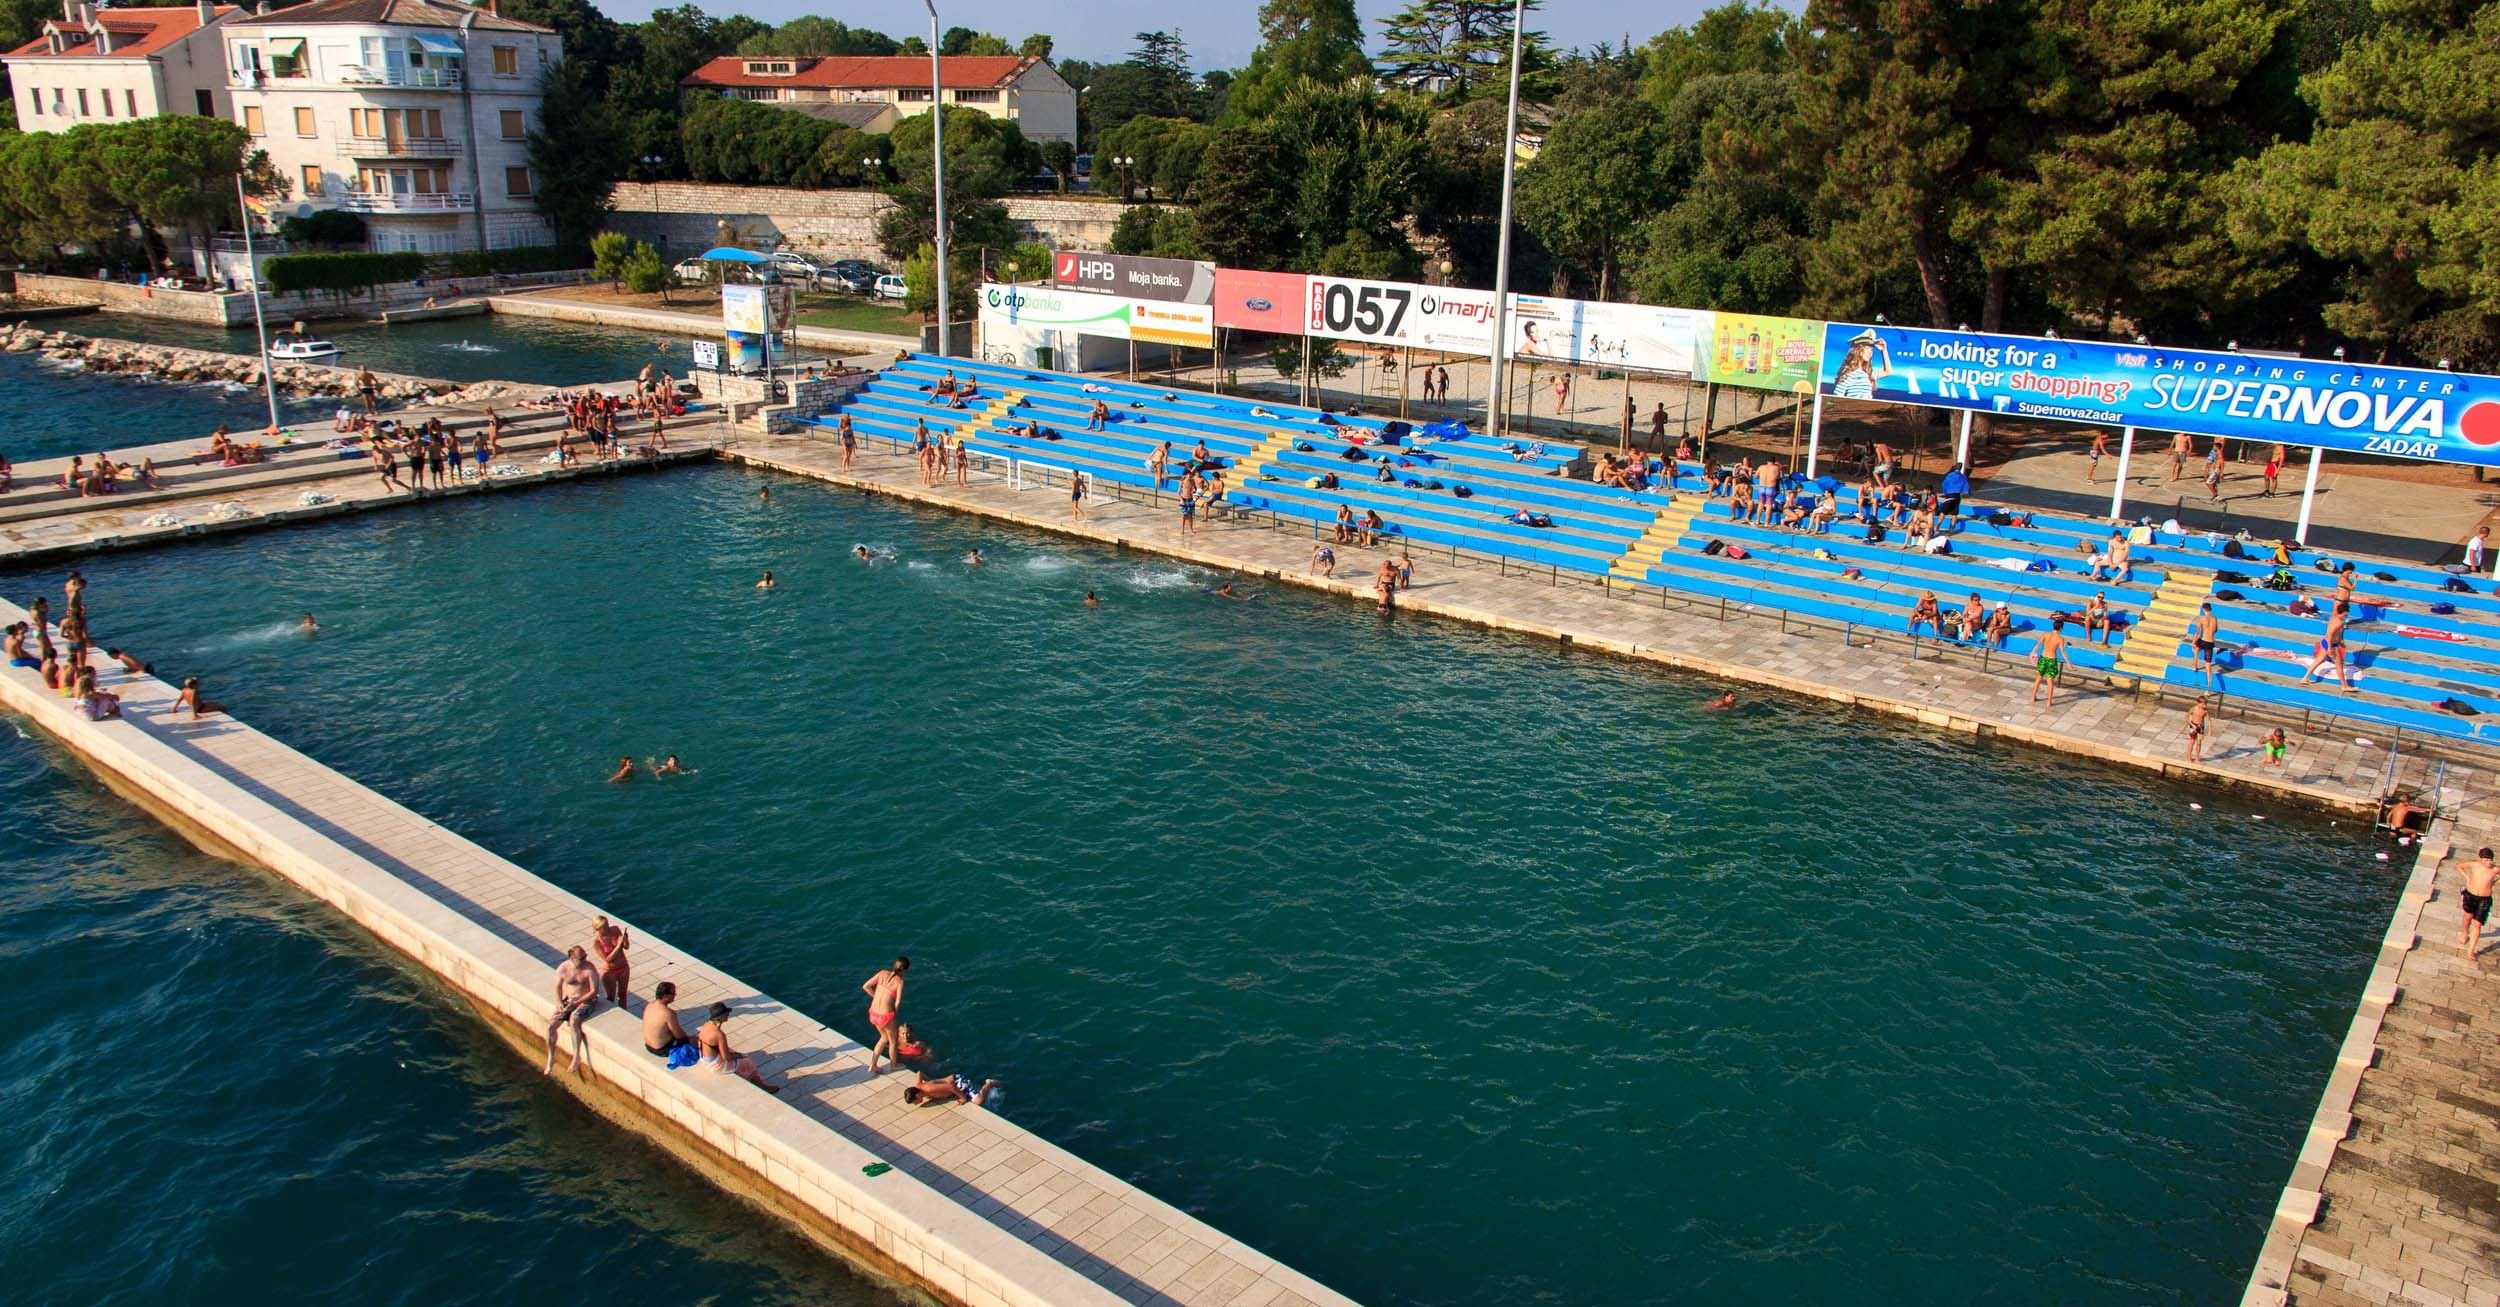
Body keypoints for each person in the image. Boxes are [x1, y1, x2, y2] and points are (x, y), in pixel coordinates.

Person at [696, 1002, 779, 1092]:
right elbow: (727, 1058)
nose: (728, 1015)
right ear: (720, 1017)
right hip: (715, 1066)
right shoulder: (719, 1034)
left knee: (733, 1052)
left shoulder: (706, 1025)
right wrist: (738, 1056)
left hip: (705, 1059)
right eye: (726, 1014)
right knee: (747, 1062)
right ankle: (761, 1085)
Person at [543, 945, 598, 1076]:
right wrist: (559, 1003)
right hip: (569, 1000)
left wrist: (577, 1003)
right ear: (572, 958)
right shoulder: (563, 968)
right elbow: (557, 987)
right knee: (550, 1026)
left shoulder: (589, 968)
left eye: (585, 956)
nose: (585, 959)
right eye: (581, 958)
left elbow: (594, 991)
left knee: (574, 1020)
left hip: (586, 1001)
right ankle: (551, 1057)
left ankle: (576, 1056)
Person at [863, 956, 908, 1074]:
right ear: (904, 970)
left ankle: (873, 1065)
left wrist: (875, 997)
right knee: (893, 1041)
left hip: (873, 1012)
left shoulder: (882, 973)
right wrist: (894, 1014)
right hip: (885, 1015)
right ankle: (893, 1065)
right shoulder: (900, 982)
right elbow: (898, 1001)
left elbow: (866, 986)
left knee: (883, 1038)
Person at [2459, 848, 2497, 964]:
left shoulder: (2495, 869)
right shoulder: (2474, 865)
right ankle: (2465, 932)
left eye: (2490, 860)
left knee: (2477, 925)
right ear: (2481, 859)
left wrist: (2494, 883)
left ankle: (2471, 950)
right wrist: (2467, 877)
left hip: (2484, 899)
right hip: (2470, 895)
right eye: (2486, 860)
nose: (2488, 863)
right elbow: (2459, 866)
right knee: (2467, 917)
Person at [590, 914, 631, 1006]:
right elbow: (607, 959)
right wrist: (618, 946)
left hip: (623, 967)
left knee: (623, 995)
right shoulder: (596, 942)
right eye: (604, 927)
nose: (608, 928)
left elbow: (626, 947)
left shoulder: (615, 929)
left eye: (607, 925)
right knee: (611, 997)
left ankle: (623, 1011)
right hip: (610, 971)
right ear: (597, 929)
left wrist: (625, 939)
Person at [904, 1071, 1000, 1109]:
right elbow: (919, 1073)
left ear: (917, 1095)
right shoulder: (918, 1086)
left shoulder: (929, 1089)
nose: (915, 1104)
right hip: (952, 1083)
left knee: (978, 1101)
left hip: (957, 1082)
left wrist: (963, 1098)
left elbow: (951, 1087)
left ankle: (989, 1083)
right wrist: (930, 1080)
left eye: (914, 1102)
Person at [2032, 618, 2070, 707]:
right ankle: (2049, 702)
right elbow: (2063, 652)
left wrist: (2032, 653)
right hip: (2051, 660)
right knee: (2050, 682)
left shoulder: (2045, 634)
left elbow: (2037, 645)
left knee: (2039, 678)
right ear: (2061, 628)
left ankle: (2033, 697)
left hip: (2043, 658)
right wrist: (2069, 663)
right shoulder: (2060, 638)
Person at [2191, 603, 2220, 685]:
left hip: (2203, 640)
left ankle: (2194, 666)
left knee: (2195, 647)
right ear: (2211, 609)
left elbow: (2197, 633)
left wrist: (2193, 642)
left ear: (2203, 609)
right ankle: (2208, 688)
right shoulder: (2215, 619)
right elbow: (2215, 630)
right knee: (2208, 665)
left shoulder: (2202, 619)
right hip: (2210, 642)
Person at [2184, 694, 2210, 762]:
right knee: (2192, 742)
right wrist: (2192, 725)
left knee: (2199, 743)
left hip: (2200, 727)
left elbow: (2209, 720)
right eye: (2203, 704)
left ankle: (2197, 758)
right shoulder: (2194, 709)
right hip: (2193, 726)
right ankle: (2189, 757)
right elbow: (2186, 717)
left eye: (2205, 704)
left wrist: (2210, 730)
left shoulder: (2205, 710)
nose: (2204, 706)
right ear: (2198, 703)